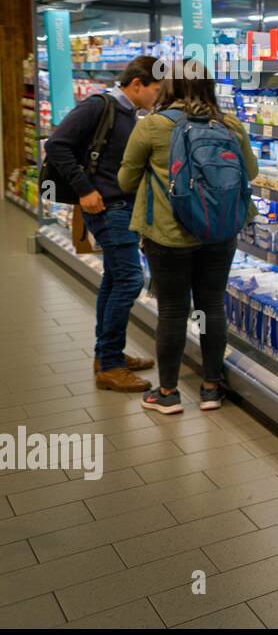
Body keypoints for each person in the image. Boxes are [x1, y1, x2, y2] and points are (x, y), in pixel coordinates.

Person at [119, 63, 258, 414]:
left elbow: (125, 180)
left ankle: (167, 394)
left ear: (170, 87)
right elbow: (251, 172)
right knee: (211, 305)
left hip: (168, 234)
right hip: (219, 231)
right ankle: (211, 388)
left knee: (172, 310)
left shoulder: (152, 125)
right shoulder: (230, 125)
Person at [43, 56, 162, 392]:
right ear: (137, 84)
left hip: (120, 205)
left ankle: (108, 355)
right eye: (156, 89)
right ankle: (109, 365)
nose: (158, 97)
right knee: (129, 280)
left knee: (114, 278)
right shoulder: (99, 105)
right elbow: (57, 145)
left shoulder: (128, 113)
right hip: (107, 207)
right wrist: (85, 190)